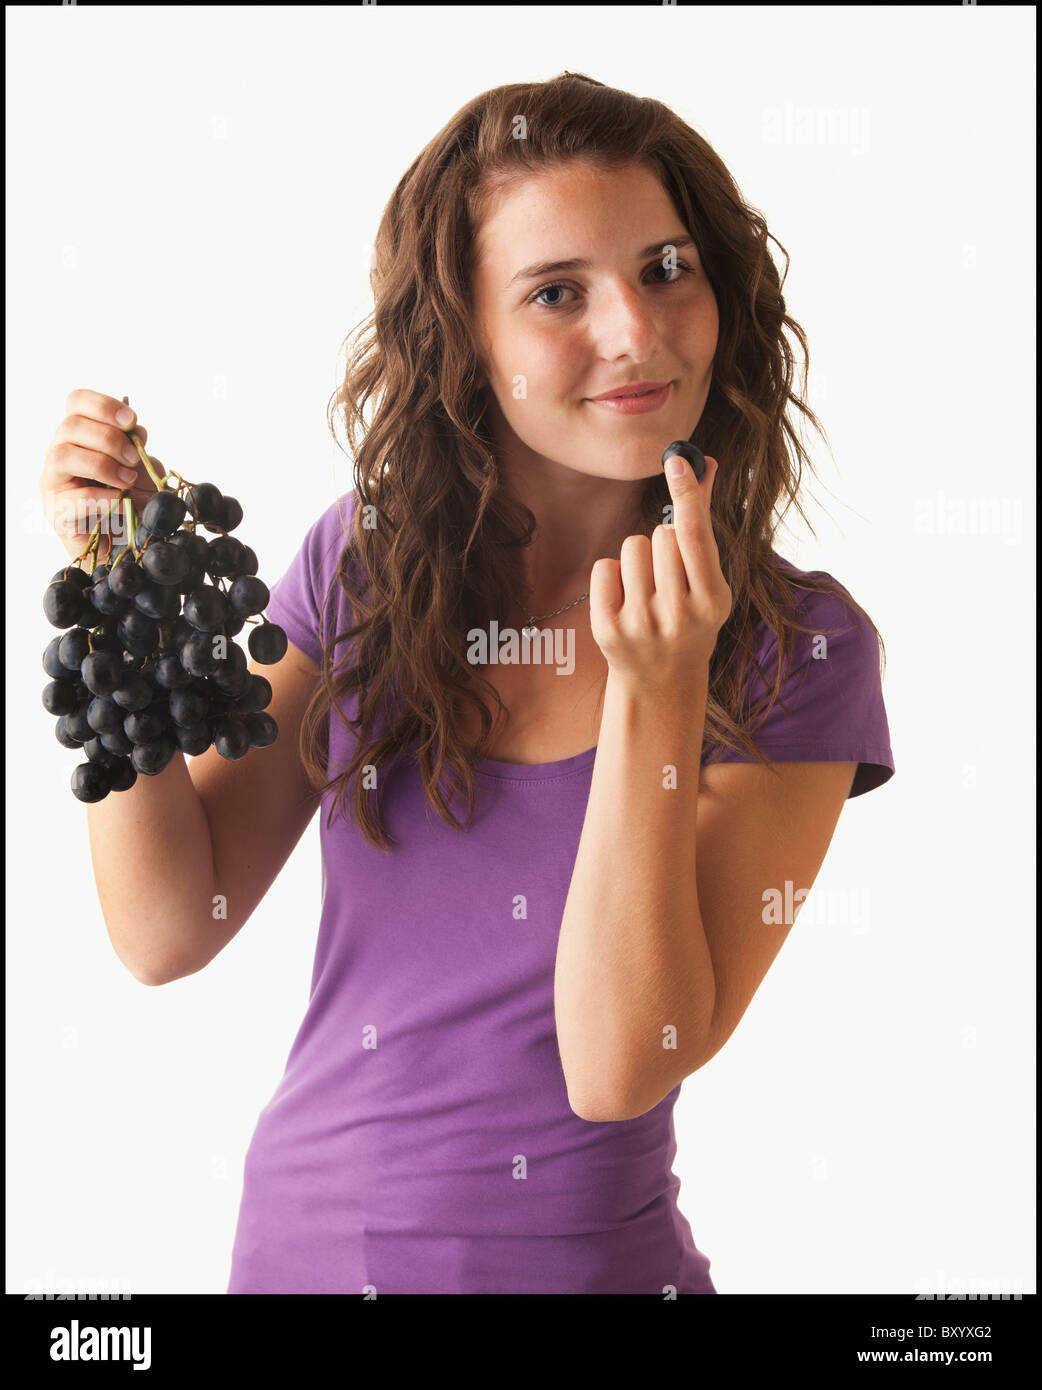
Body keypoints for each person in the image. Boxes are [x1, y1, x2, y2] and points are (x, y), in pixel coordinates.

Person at [40, 72, 895, 1295]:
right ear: (467, 341)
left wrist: (656, 691)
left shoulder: (793, 648)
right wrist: (114, 590)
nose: (636, 332)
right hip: (295, 1258)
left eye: (665, 268)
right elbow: (172, 925)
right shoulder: (367, 565)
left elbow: (620, 1060)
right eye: (558, 292)